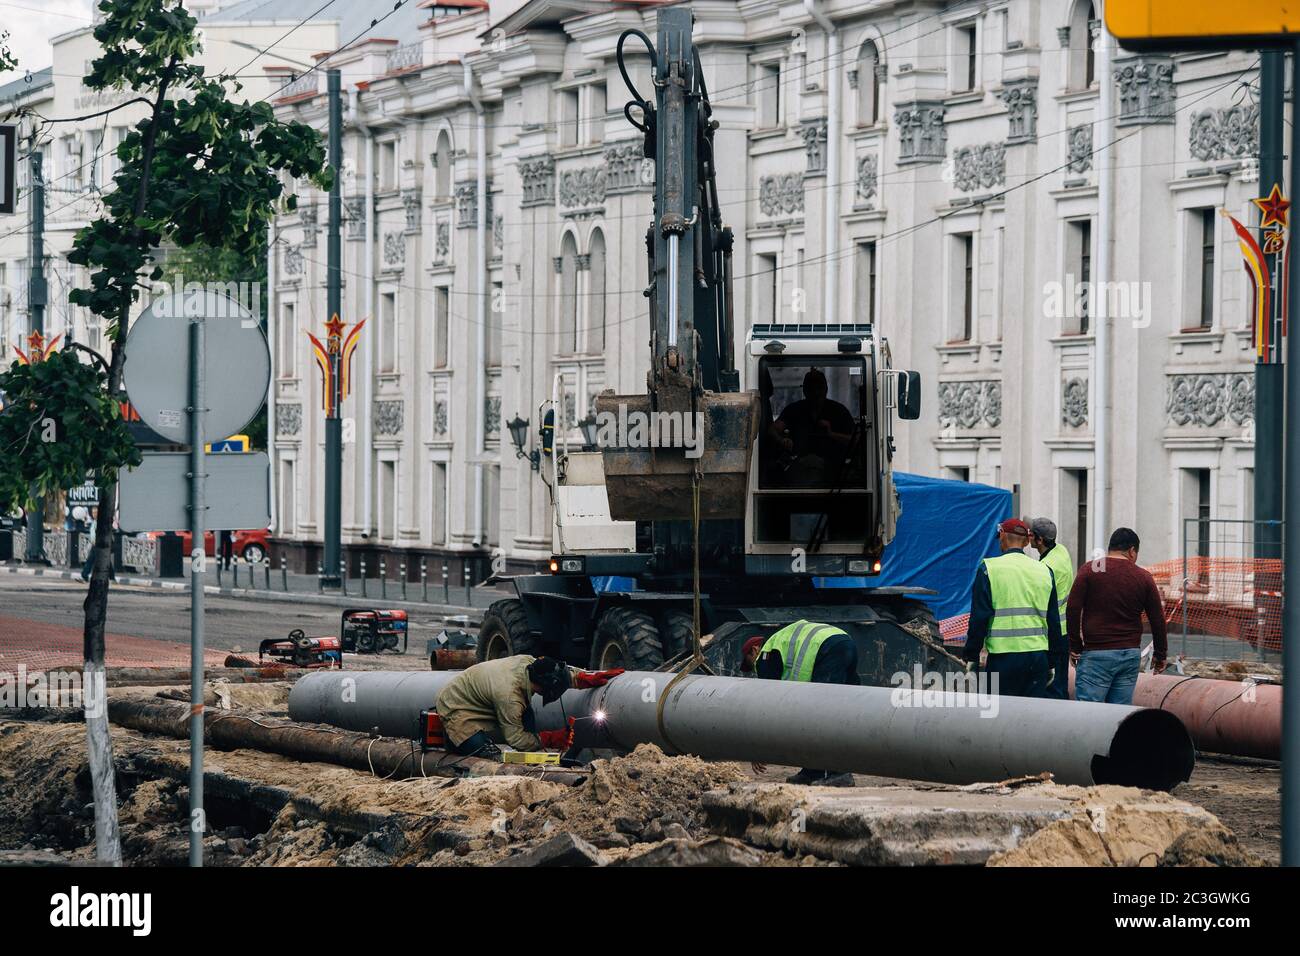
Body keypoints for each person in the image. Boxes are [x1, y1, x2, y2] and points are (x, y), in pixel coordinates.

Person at [741, 621, 859, 786]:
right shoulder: (781, 642)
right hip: (844, 641)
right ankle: (813, 770)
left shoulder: (766, 654)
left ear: (754, 650)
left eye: (749, 662)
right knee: (834, 709)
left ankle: (839, 773)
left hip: (828, 648)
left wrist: (759, 749)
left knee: (825, 712)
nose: (754, 669)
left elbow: (768, 705)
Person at [434, 654, 623, 757]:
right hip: (456, 703)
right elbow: (515, 738)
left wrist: (583, 677)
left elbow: (554, 670)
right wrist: (549, 738)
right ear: (546, 688)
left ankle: (532, 756)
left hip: (480, 695)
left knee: (528, 717)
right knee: (482, 752)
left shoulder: (528, 663)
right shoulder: (510, 697)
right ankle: (456, 743)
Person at [962, 518, 1062, 698]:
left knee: (1000, 718)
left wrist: (972, 657)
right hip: (1037, 658)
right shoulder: (1045, 571)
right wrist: (1052, 662)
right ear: (1026, 541)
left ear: (1002, 536)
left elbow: (979, 619)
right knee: (1031, 718)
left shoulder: (989, 569)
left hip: (1003, 659)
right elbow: (1053, 621)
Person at [1068, 527, 1168, 705]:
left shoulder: (1089, 571)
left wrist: (1075, 646)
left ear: (1110, 548)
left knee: (1088, 715)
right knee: (1118, 716)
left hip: (1096, 654)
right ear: (1132, 551)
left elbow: (1073, 610)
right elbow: (1157, 619)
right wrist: (1160, 655)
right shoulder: (1143, 577)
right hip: (1129, 655)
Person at [767, 368, 857, 485]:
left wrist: (831, 434)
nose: (816, 393)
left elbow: (856, 440)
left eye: (819, 388)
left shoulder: (839, 411)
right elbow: (772, 430)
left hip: (833, 475)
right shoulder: (794, 410)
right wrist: (782, 440)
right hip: (798, 471)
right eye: (811, 388)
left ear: (826, 389)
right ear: (804, 390)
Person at [1029, 517, 1074, 700]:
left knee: (1051, 685)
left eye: (1031, 535)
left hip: (1052, 630)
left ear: (1039, 540)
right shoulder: (1061, 551)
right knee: (1060, 680)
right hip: (1064, 630)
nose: (1028, 537)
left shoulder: (1046, 568)